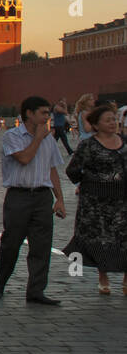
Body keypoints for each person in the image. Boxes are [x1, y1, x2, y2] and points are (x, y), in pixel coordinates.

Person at [0, 96, 67, 305]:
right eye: (43, 113)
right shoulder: (11, 136)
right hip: (19, 197)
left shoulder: (48, 139)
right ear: (29, 114)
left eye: (47, 113)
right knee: (11, 244)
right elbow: (24, 158)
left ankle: (36, 290)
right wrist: (38, 139)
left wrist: (59, 199)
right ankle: (0, 283)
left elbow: (52, 170)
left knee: (41, 246)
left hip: (42, 197)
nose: (47, 117)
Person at [61, 104, 127, 296]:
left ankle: (126, 279)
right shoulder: (88, 145)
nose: (113, 123)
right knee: (101, 240)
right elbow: (72, 169)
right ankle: (103, 276)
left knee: (124, 239)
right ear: (96, 125)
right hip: (95, 203)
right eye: (108, 120)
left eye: (114, 119)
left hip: (122, 200)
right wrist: (88, 181)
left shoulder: (125, 142)